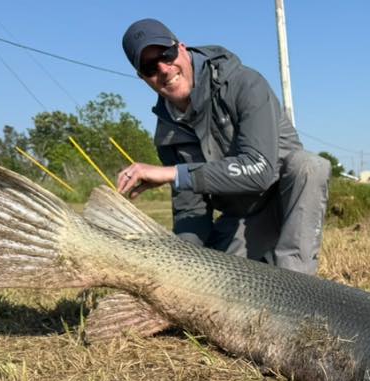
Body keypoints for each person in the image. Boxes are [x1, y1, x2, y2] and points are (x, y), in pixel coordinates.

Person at [118, 18, 331, 275]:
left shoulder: (244, 84)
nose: (164, 69)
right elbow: (191, 209)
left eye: (167, 54)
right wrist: (184, 266)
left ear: (182, 48)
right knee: (213, 275)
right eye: (150, 67)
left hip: (285, 203)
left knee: (309, 166)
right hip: (242, 217)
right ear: (143, 78)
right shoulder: (167, 133)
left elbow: (260, 170)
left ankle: (297, 284)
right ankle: (262, 261)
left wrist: (173, 174)